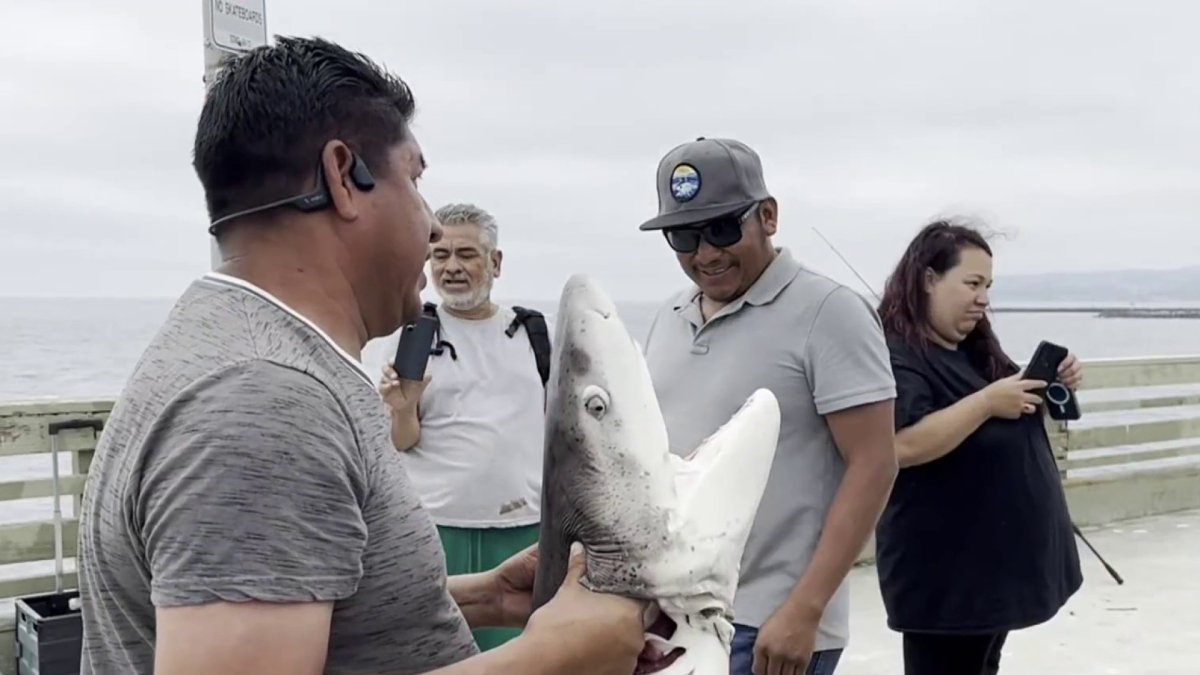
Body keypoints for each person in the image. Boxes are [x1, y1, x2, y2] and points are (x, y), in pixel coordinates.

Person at [74, 36, 647, 675]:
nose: (432, 228)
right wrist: (557, 656)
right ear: (344, 177)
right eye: (416, 179)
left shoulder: (234, 340)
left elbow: (299, 611)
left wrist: (480, 597)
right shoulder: (266, 402)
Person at [637, 136, 899, 675]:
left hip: (769, 621)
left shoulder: (830, 311)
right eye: (683, 235)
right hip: (672, 615)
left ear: (769, 216)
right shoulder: (669, 314)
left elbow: (874, 463)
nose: (706, 253)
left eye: (723, 229)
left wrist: (805, 610)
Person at [873, 220, 1084, 675]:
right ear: (929, 279)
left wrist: (1050, 384)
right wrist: (987, 402)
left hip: (992, 578)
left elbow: (1013, 410)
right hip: (945, 583)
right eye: (971, 283)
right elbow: (900, 444)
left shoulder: (974, 348)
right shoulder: (895, 353)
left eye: (987, 285)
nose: (983, 298)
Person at [376, 203, 547, 652]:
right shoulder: (412, 334)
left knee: (521, 657)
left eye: (466, 254)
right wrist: (401, 408)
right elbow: (403, 441)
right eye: (439, 255)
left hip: (523, 529)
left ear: (495, 262)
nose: (452, 267)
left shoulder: (535, 335)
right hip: (437, 529)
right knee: (436, 656)